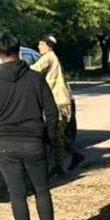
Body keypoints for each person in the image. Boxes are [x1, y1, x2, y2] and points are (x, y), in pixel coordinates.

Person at [0, 34, 64, 220]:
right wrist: (49, 139)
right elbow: (52, 113)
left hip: (5, 146)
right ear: (19, 52)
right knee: (42, 190)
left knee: (17, 194)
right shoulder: (35, 79)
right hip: (34, 143)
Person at [30, 34, 85, 175]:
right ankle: (74, 155)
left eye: (40, 44)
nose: (38, 46)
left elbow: (32, 71)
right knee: (55, 134)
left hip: (59, 101)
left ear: (47, 45)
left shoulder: (48, 58)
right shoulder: (52, 57)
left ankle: (59, 166)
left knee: (55, 134)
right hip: (59, 101)